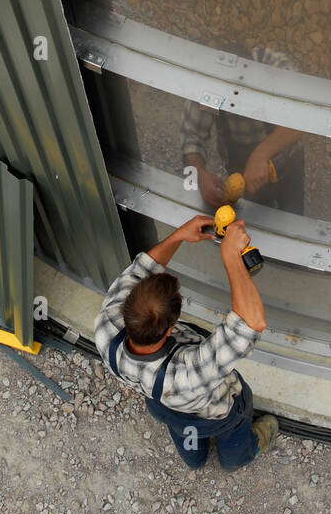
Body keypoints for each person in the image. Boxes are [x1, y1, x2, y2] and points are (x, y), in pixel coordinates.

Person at [95, 214, 278, 471]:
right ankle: (239, 456)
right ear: (170, 329)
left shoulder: (106, 327)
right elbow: (251, 324)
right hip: (217, 415)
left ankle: (195, 460)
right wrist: (231, 257)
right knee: (234, 436)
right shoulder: (187, 374)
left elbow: (141, 269)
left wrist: (180, 234)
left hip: (162, 405)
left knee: (183, 432)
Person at [180, 45, 305, 215]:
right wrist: (199, 174)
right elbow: (191, 135)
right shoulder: (210, 83)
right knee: (255, 222)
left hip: (288, 162)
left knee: (293, 216)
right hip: (241, 171)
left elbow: (302, 114)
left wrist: (261, 154)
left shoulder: (273, 66)